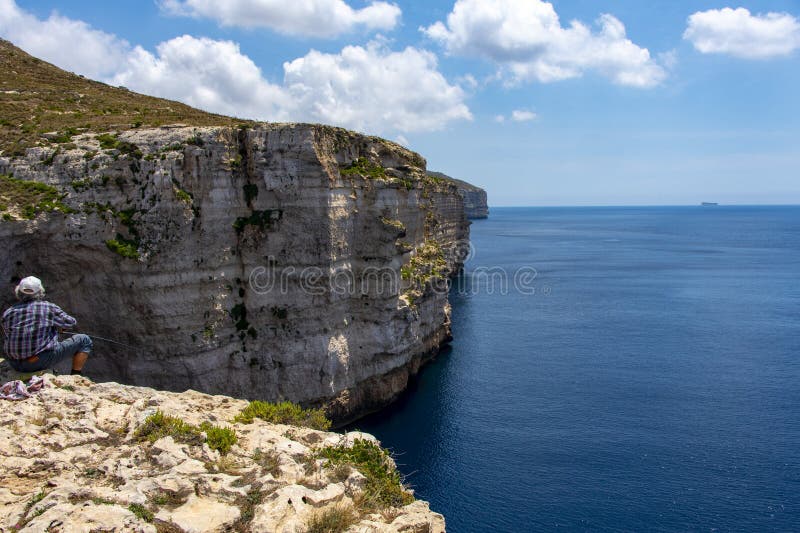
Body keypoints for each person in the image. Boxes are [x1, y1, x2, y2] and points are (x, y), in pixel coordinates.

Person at [1, 276, 92, 375]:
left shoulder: (9, 312)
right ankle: (76, 376)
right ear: (40, 292)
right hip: (37, 362)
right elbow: (71, 322)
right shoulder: (48, 307)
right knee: (84, 340)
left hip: (15, 364)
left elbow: (9, 333)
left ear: (18, 291)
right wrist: (59, 327)